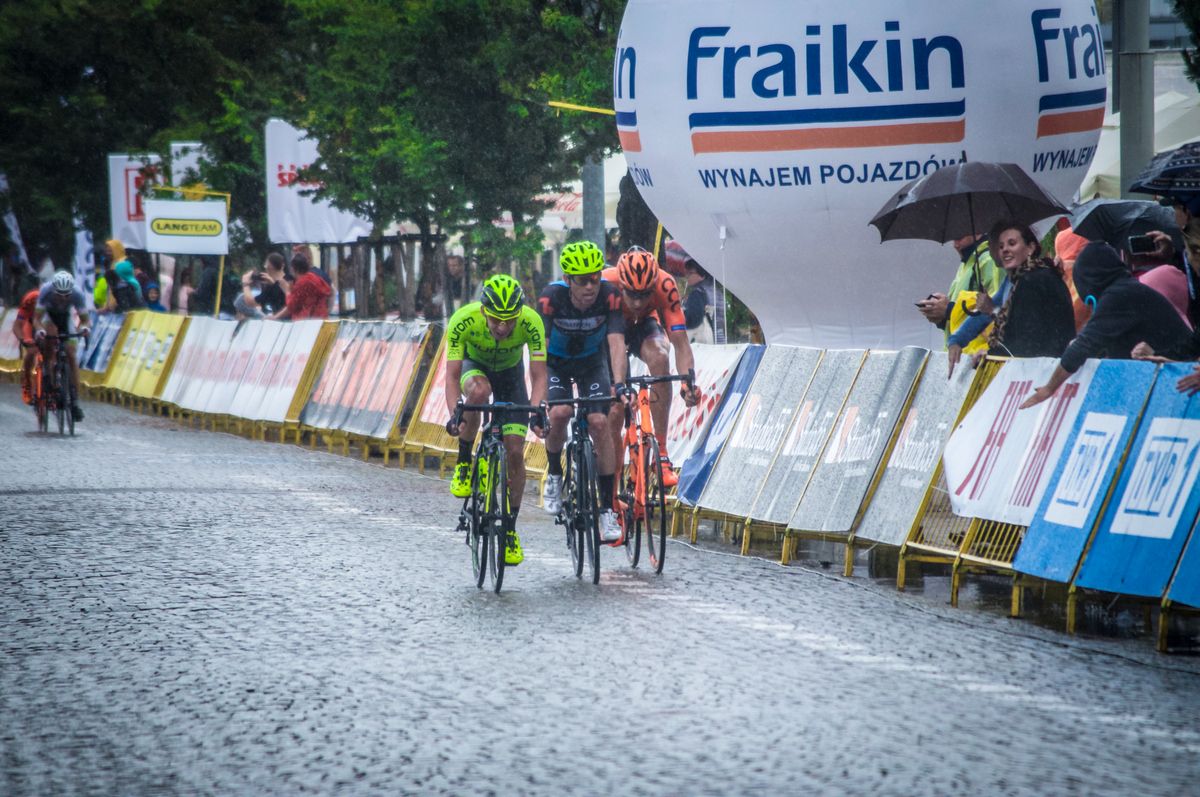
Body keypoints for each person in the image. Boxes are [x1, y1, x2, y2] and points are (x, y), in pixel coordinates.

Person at [443, 274, 548, 565]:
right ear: (483, 312)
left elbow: (539, 375)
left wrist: (538, 409)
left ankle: (511, 532)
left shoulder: (531, 321)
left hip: (511, 376)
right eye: (496, 320)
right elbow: (451, 377)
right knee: (479, 392)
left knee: (515, 451)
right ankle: (464, 462)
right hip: (473, 367)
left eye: (510, 321)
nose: (503, 327)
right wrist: (456, 414)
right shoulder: (463, 320)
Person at [1021, 242, 1193, 409]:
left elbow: (1084, 345)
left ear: (1088, 281)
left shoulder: (1119, 295)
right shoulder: (1125, 289)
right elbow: (1098, 341)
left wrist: (1049, 388)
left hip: (1183, 380)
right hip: (1177, 378)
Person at [539, 240, 627, 543]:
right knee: (561, 412)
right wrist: (539, 397)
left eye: (595, 277)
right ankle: (553, 474)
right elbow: (540, 352)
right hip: (557, 365)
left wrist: (619, 383)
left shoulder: (610, 295)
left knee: (600, 423)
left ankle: (606, 509)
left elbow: (616, 342)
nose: (590, 286)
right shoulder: (551, 298)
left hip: (592, 364)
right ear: (567, 280)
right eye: (582, 280)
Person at [601, 247, 701, 488]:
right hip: (612, 332)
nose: (637, 302)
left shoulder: (665, 285)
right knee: (614, 412)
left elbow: (681, 343)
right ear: (621, 285)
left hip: (645, 325)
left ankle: (662, 453)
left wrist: (688, 381)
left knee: (659, 356)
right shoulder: (606, 283)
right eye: (631, 294)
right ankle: (611, 492)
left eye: (644, 295)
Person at [946, 221, 1074, 376]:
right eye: (1000, 246)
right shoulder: (1013, 279)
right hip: (1034, 368)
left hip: (1048, 370)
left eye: (1012, 243)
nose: (1005, 249)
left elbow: (1024, 332)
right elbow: (988, 312)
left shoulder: (1036, 279)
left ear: (1030, 248)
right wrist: (957, 340)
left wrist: (993, 353)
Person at [916, 232, 1004, 349]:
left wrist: (949, 310)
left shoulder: (988, 260)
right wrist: (942, 319)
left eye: (958, 238)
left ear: (977, 231)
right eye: (953, 239)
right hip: (961, 356)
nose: (955, 245)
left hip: (977, 358)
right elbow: (961, 318)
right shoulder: (967, 263)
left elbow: (998, 315)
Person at [34, 271, 91, 422]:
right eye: (60, 294)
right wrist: (40, 330)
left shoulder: (77, 294)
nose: (63, 297)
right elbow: (37, 318)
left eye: (67, 294)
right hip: (49, 317)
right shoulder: (46, 291)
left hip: (66, 318)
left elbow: (85, 319)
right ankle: (51, 381)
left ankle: (75, 403)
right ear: (54, 290)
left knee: (71, 357)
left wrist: (84, 329)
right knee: (50, 341)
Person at [271, 253, 330, 320]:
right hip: (321, 318)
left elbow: (291, 306)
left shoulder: (302, 283)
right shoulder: (315, 278)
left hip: (307, 321)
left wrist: (287, 291)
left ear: (293, 268)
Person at [11, 285, 41, 404]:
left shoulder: (55, 300)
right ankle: (27, 384)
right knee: (31, 352)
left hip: (48, 324)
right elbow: (17, 325)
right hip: (31, 323)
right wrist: (23, 340)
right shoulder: (31, 299)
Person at [236, 253, 290, 318]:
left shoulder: (272, 287)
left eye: (265, 265)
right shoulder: (290, 279)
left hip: (281, 322)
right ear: (282, 266)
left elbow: (251, 302)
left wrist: (245, 284)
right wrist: (273, 284)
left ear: (269, 266)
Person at [682, 258, 717, 345]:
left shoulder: (698, 293)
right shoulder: (715, 292)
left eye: (690, 273)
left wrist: (681, 312)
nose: (687, 276)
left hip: (703, 345)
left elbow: (694, 320)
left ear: (702, 275)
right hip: (719, 340)